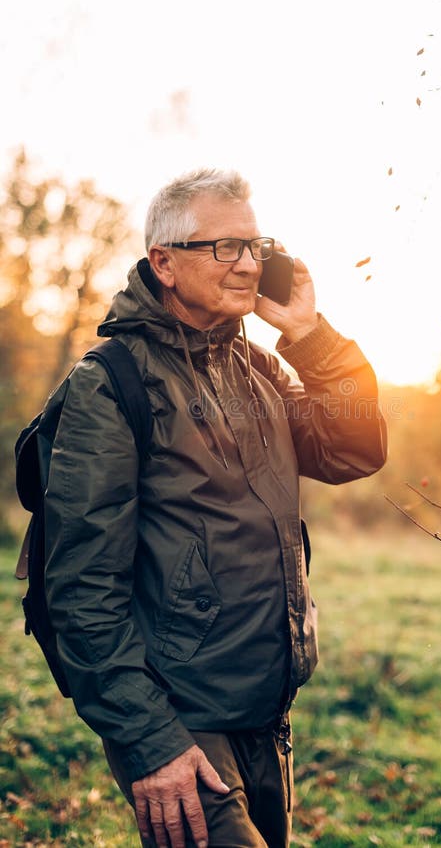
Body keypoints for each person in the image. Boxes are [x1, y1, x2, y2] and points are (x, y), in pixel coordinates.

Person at [44, 167, 387, 847]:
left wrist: (310, 335)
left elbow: (353, 451)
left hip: (266, 707)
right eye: (224, 247)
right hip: (178, 718)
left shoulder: (258, 368)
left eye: (256, 246)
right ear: (164, 263)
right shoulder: (109, 385)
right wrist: (151, 743)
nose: (249, 264)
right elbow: (81, 592)